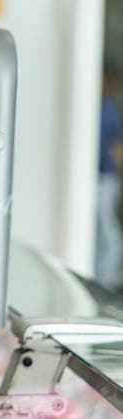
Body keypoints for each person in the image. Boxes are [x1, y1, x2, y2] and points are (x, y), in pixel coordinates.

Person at [95, 62, 123, 292]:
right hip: (95, 178)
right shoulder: (93, 102)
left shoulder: (107, 106)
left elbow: (116, 145)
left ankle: (106, 281)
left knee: (107, 230)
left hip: (106, 177)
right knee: (103, 229)